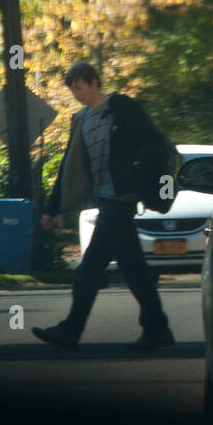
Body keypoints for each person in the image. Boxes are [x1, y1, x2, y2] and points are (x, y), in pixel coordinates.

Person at [32, 62, 175, 352]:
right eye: (72, 89)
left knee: (92, 263)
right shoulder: (81, 119)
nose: (76, 94)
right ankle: (158, 329)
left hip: (121, 197)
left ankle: (71, 329)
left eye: (80, 87)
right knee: (133, 267)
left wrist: (135, 171)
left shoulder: (121, 108)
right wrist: (52, 207)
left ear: (94, 82)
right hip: (104, 197)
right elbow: (68, 167)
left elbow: (155, 143)